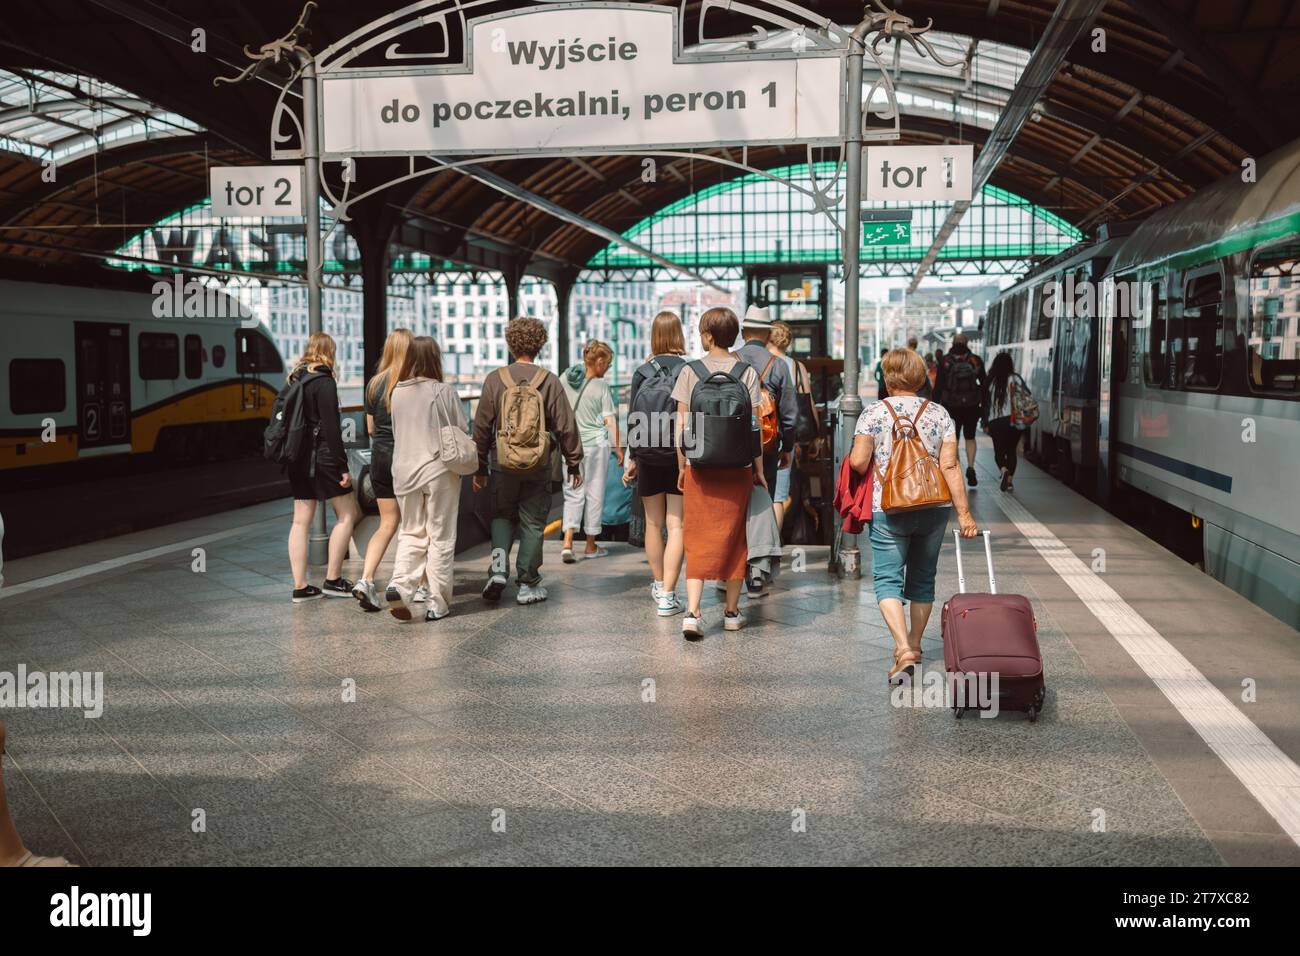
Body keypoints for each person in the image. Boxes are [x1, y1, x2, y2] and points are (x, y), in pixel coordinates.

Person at [850, 348, 978, 681]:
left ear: (888, 378)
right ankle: (917, 646)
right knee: (922, 579)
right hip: (935, 507)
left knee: (887, 579)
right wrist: (964, 515)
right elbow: (950, 466)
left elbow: (858, 463)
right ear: (921, 378)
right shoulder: (939, 414)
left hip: (888, 507)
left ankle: (902, 647)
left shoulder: (873, 413)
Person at [472, 317, 583, 606]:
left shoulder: (495, 380)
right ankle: (527, 583)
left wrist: (479, 467)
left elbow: (481, 428)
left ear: (510, 344)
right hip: (539, 464)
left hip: (501, 464)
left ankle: (497, 570)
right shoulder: (549, 381)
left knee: (501, 517)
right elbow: (566, 426)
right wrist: (574, 462)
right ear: (540, 345)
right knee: (533, 522)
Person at [672, 307, 766, 640]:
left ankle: (693, 613)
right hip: (737, 468)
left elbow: (681, 425)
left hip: (701, 468)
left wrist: (684, 464)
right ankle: (730, 612)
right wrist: (758, 469)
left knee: (696, 537)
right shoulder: (747, 373)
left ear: (708, 336)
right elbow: (754, 426)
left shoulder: (689, 372)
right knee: (735, 538)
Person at [387, 336, 468, 622]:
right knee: (440, 536)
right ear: (435, 358)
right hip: (438, 470)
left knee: (411, 531)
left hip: (404, 472)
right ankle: (438, 603)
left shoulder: (396, 392)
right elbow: (460, 427)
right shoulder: (442, 390)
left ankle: (401, 585)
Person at [286, 331, 360, 603]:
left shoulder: (295, 378)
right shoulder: (324, 381)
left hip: (297, 456)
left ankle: (300, 587)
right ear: (330, 351)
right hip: (324, 457)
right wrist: (342, 467)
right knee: (347, 514)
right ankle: (332, 579)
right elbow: (331, 428)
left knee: (299, 521)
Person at [624, 311, 687, 616]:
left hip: (647, 455)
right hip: (679, 457)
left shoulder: (642, 372)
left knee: (653, 524)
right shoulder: (689, 370)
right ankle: (669, 596)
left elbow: (632, 419)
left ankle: (659, 583)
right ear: (678, 335)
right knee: (677, 526)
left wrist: (632, 458)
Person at [352, 328, 416, 612]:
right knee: (415, 526)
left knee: (387, 523)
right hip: (407, 459)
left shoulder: (374, 383)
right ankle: (409, 583)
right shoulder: (412, 383)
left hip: (379, 458)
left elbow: (370, 428)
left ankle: (366, 580)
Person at [559, 340, 621, 562]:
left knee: (572, 492)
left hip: (571, 446)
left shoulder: (565, 379)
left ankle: (567, 543)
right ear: (600, 361)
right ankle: (590, 546)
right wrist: (619, 450)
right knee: (594, 493)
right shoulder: (601, 387)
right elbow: (609, 422)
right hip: (595, 446)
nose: (608, 369)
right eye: (608, 364)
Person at [734, 306, 798, 500]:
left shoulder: (731, 361)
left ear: (743, 332)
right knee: (765, 501)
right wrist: (787, 448)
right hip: (767, 444)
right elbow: (789, 414)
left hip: (733, 446)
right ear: (768, 334)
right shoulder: (778, 365)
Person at [767, 319, 817, 529]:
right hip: (787, 435)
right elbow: (808, 402)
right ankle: (774, 547)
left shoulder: (762, 363)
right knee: (779, 496)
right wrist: (816, 433)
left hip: (764, 431)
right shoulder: (797, 367)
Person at [933, 332, 985, 487]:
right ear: (967, 343)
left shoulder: (945, 361)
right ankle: (970, 466)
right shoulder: (975, 360)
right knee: (970, 437)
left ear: (953, 343)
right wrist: (983, 404)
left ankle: (959, 470)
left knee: (952, 439)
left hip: (951, 405)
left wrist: (935, 407)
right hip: (972, 405)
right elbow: (984, 383)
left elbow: (939, 386)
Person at [983, 351, 1028, 493]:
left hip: (995, 421)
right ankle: (1009, 481)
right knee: (1011, 451)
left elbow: (984, 403)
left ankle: (1003, 470)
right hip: (1014, 420)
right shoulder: (1016, 379)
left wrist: (985, 423)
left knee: (999, 451)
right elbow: (1027, 396)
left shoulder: (990, 380)